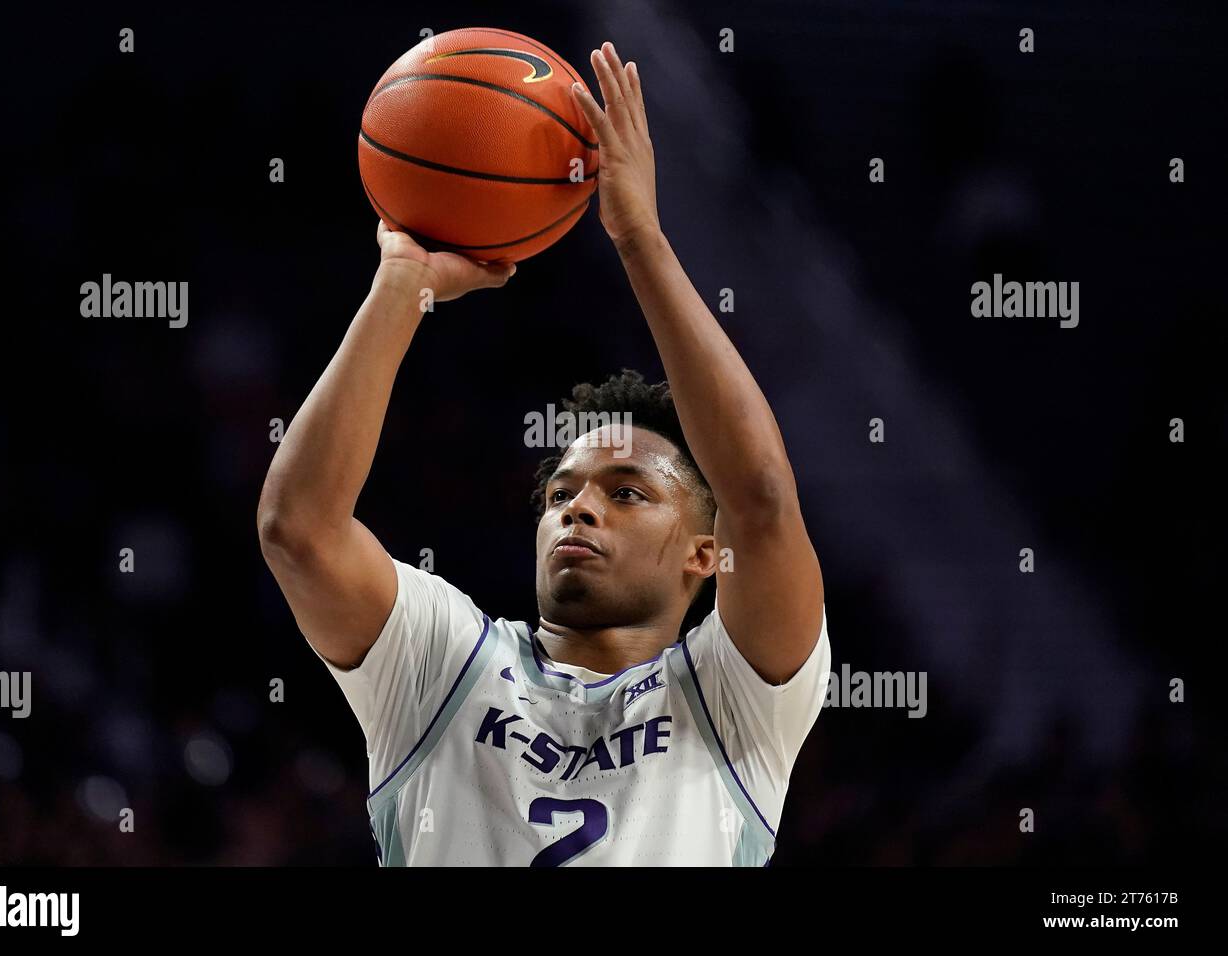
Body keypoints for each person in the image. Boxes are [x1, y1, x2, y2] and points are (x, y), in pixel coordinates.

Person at [257, 40, 830, 865]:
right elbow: (296, 530)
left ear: (708, 555)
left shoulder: (735, 704)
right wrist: (403, 282)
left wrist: (640, 240)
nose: (578, 507)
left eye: (628, 492)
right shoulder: (444, 664)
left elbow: (763, 500)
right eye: (562, 493)